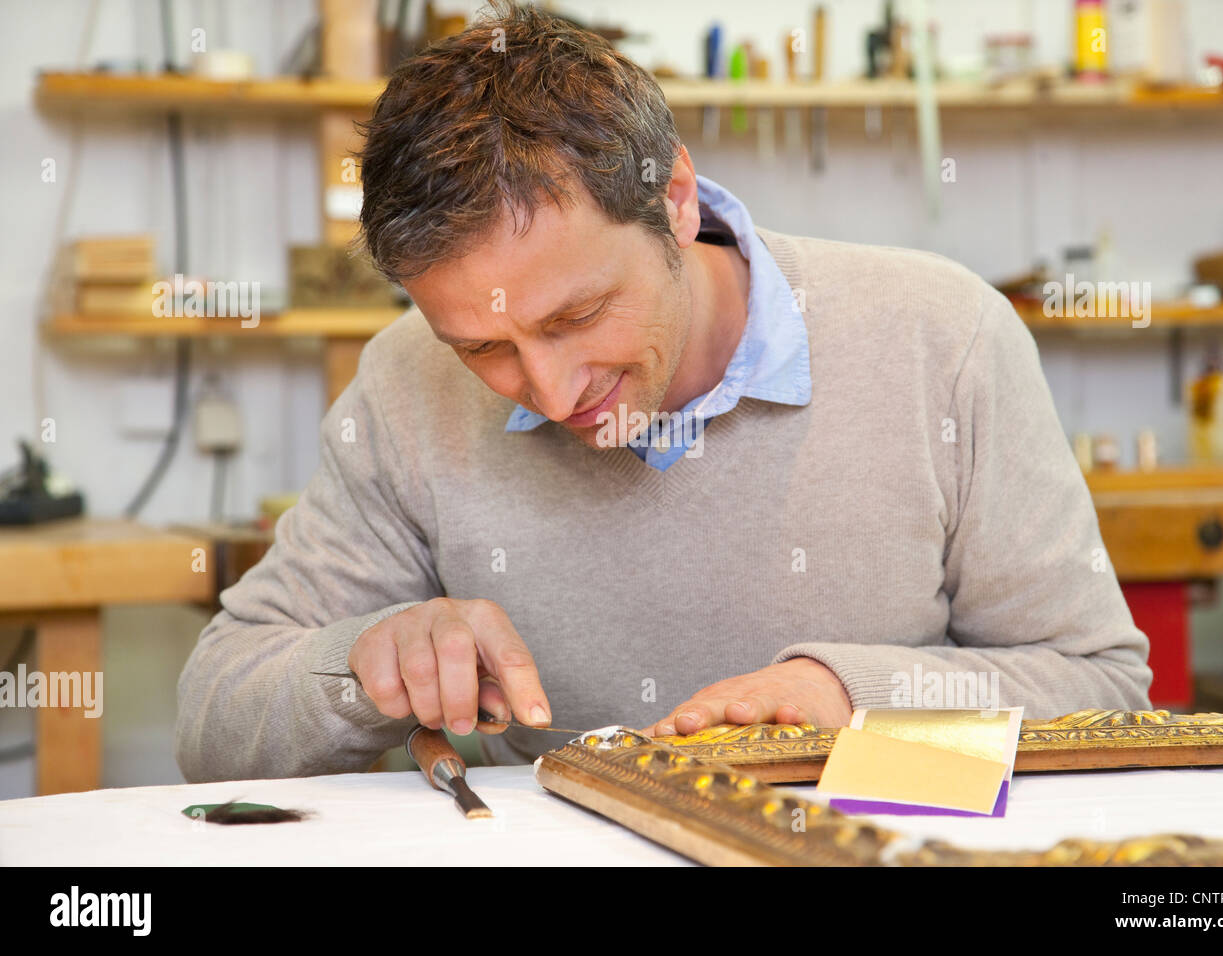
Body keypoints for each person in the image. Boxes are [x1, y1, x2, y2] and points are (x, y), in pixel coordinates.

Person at [175, 2, 1151, 782]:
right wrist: (363, 664)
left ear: (675, 198)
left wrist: (848, 697)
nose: (552, 391)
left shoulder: (945, 336)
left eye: (574, 316)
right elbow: (212, 722)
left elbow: (1105, 696)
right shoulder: (405, 381)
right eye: (484, 346)